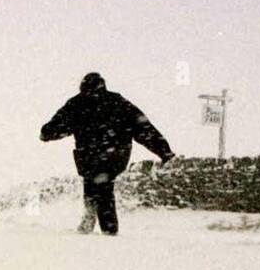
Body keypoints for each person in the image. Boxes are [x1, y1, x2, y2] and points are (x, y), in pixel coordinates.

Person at [40, 72, 175, 234]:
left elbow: (55, 127)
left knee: (97, 185)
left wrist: (45, 133)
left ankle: (103, 228)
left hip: (91, 156)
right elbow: (144, 129)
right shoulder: (119, 103)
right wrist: (164, 151)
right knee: (101, 185)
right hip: (116, 155)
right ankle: (95, 224)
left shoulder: (77, 104)